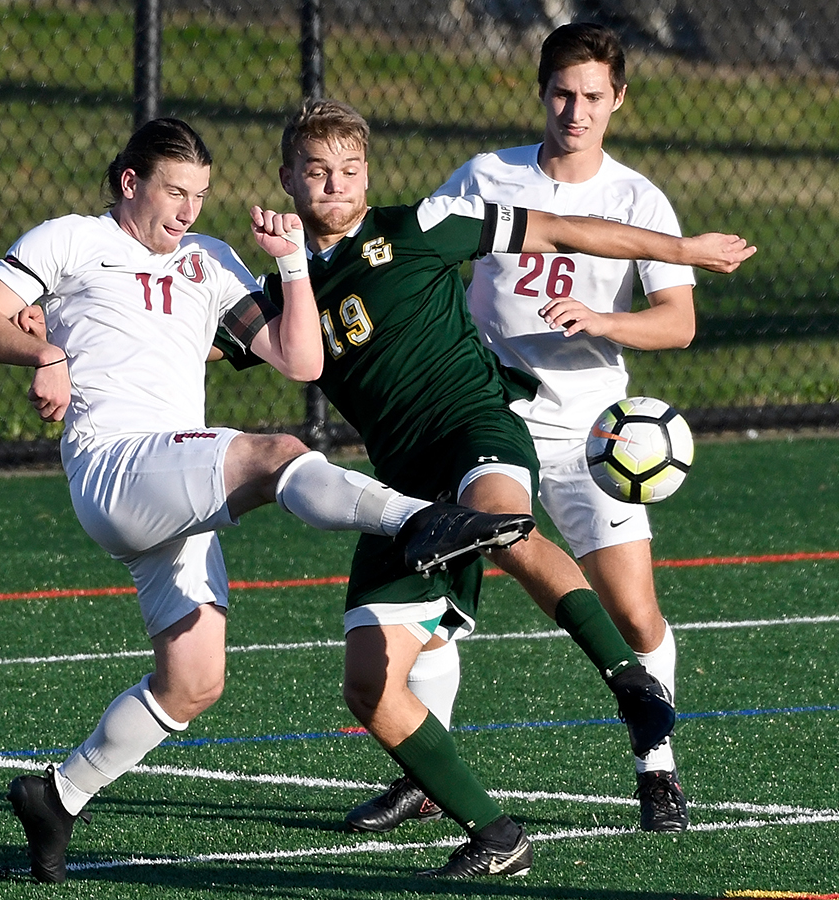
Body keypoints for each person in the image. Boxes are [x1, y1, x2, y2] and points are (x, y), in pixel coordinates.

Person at [0, 116, 536, 885]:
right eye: (174, 192)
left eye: (201, 194)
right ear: (131, 184)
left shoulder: (210, 260)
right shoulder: (70, 240)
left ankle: (60, 795)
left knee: (193, 680)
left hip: (177, 481)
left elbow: (300, 358)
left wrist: (291, 263)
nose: (189, 210)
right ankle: (420, 519)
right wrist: (44, 349)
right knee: (275, 454)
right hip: (117, 466)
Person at [234, 98, 752, 877]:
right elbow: (185, 339)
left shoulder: (421, 226)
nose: (334, 185)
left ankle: (629, 681)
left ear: (367, 173)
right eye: (316, 172)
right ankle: (494, 835)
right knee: (370, 688)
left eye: (348, 170)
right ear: (287, 179)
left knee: (500, 521)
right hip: (402, 489)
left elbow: (561, 230)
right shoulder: (283, 293)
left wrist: (682, 250)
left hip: (477, 429)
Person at [349, 23, 705, 837]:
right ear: (541, 91)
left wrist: (601, 321)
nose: (574, 111)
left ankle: (657, 769)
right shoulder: (488, 175)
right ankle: (424, 771)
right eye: (561, 93)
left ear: (619, 100)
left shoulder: (637, 199)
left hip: (593, 438)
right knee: (430, 601)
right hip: (482, 419)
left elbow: (678, 323)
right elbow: (427, 260)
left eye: (591, 97)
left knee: (634, 615)